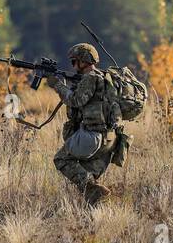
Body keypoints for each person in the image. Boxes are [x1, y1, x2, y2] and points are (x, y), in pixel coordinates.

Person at [51, 43, 121, 206]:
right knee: (87, 174)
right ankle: (97, 209)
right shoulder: (103, 77)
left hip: (92, 136)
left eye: (74, 62)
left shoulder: (90, 78)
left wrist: (57, 85)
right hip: (110, 139)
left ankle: (94, 191)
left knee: (61, 159)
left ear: (83, 61)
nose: (73, 66)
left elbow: (75, 100)